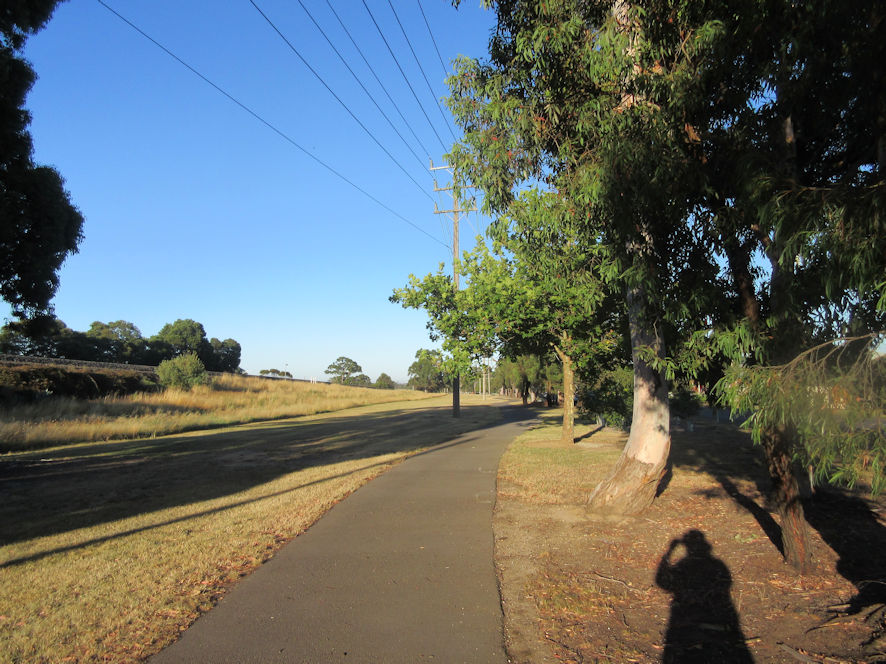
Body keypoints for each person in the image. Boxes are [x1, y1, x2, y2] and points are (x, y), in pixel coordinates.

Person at [655, 530, 754, 663]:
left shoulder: (684, 565)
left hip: (689, 625)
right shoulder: (718, 565)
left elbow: (662, 582)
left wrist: (668, 553)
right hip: (717, 623)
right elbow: (726, 583)